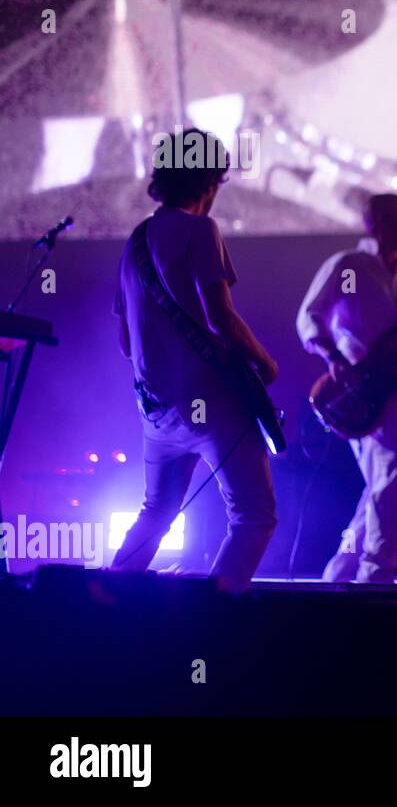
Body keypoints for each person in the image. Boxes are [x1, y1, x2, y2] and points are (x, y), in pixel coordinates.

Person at [111, 127, 278, 593]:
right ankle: (214, 613)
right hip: (213, 406)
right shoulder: (200, 229)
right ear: (209, 182)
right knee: (253, 514)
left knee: (156, 512)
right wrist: (265, 362)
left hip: (156, 414)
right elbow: (220, 317)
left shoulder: (137, 241)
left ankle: (107, 601)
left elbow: (124, 340)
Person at [297, 193, 397, 584]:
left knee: (382, 483)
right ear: (379, 223)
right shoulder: (349, 266)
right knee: (393, 480)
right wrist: (335, 359)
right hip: (358, 395)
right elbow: (310, 317)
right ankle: (374, 577)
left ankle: (341, 573)